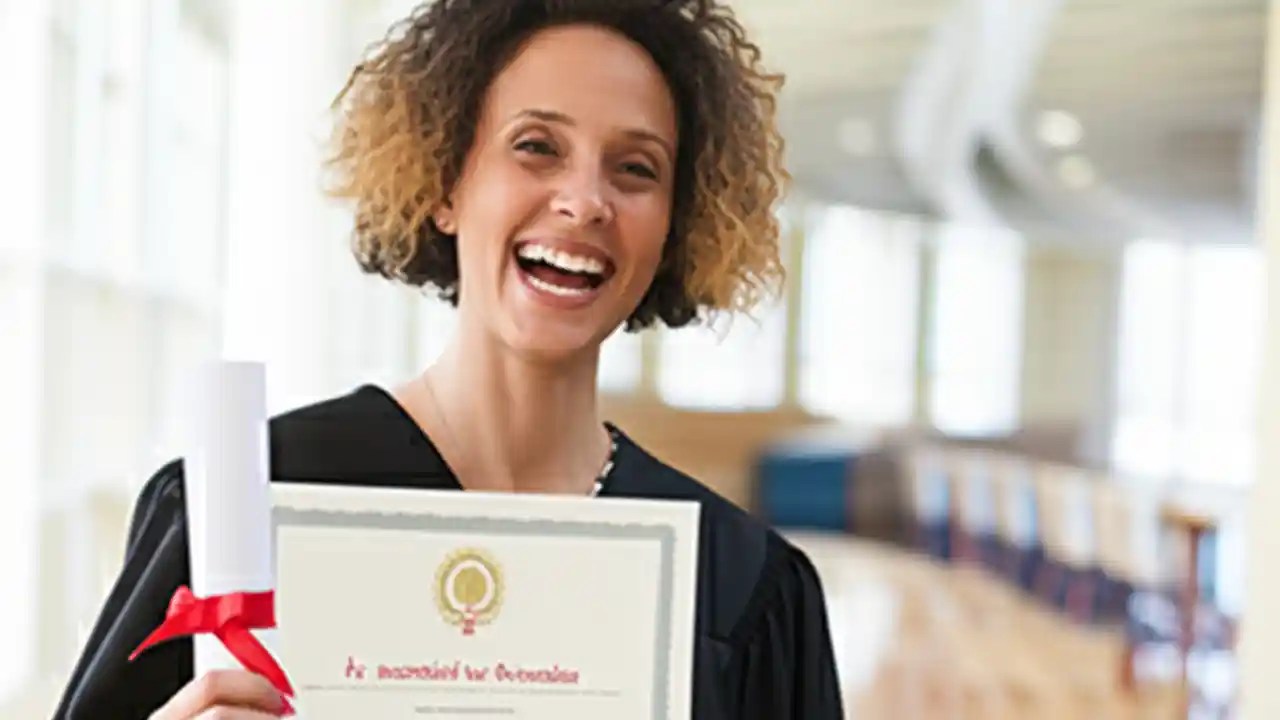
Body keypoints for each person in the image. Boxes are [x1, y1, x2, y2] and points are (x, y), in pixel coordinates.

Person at [54, 0, 844, 717]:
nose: (585, 200)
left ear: (676, 223)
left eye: (636, 169)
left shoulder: (737, 583)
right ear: (444, 183)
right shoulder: (252, 500)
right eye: (537, 147)